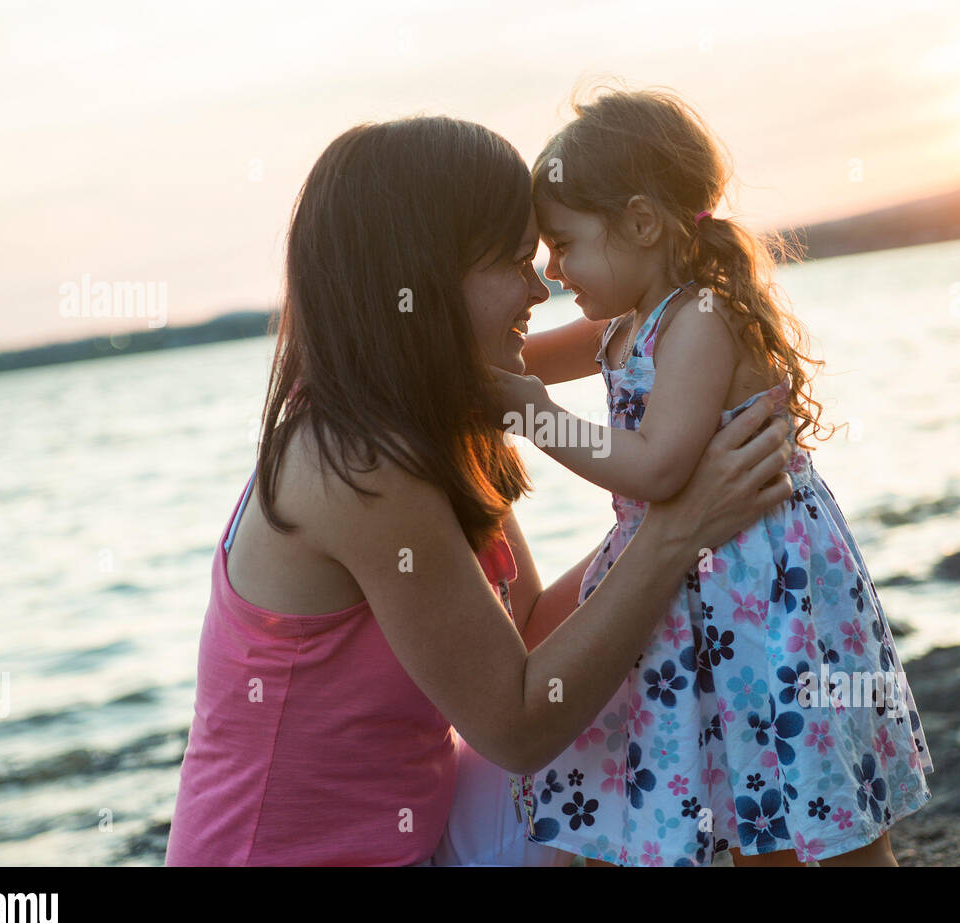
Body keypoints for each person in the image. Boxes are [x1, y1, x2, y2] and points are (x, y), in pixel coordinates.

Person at [164, 115, 796, 867]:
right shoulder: (358, 464)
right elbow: (518, 727)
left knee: (648, 665)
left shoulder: (428, 412)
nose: (541, 287)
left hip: (420, 834)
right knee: (617, 711)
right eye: (514, 261)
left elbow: (523, 625)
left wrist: (682, 499)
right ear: (423, 279)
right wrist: (679, 529)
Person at [491, 86, 934, 867]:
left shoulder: (698, 320)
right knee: (734, 801)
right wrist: (443, 366)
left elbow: (660, 467)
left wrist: (529, 416)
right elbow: (513, 364)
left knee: (807, 810)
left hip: (761, 595)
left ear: (638, 221)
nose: (553, 269)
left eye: (562, 243)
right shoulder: (625, 322)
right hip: (700, 599)